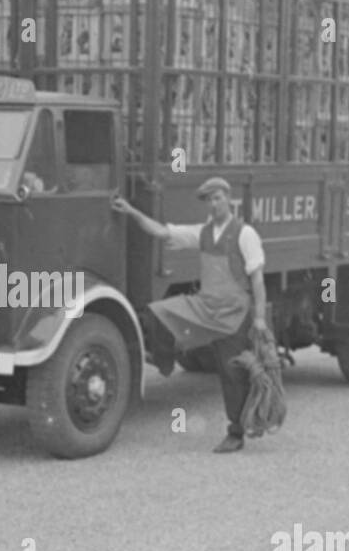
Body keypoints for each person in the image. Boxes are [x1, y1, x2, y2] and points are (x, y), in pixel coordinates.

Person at [112, 177, 268, 453]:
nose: (214, 203)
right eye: (209, 200)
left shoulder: (245, 234)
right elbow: (161, 232)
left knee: (231, 373)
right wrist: (132, 212)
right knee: (159, 312)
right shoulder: (203, 233)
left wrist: (259, 318)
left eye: (218, 198)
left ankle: (237, 432)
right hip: (207, 307)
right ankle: (165, 359)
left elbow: (257, 279)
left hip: (235, 313)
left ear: (228, 199)